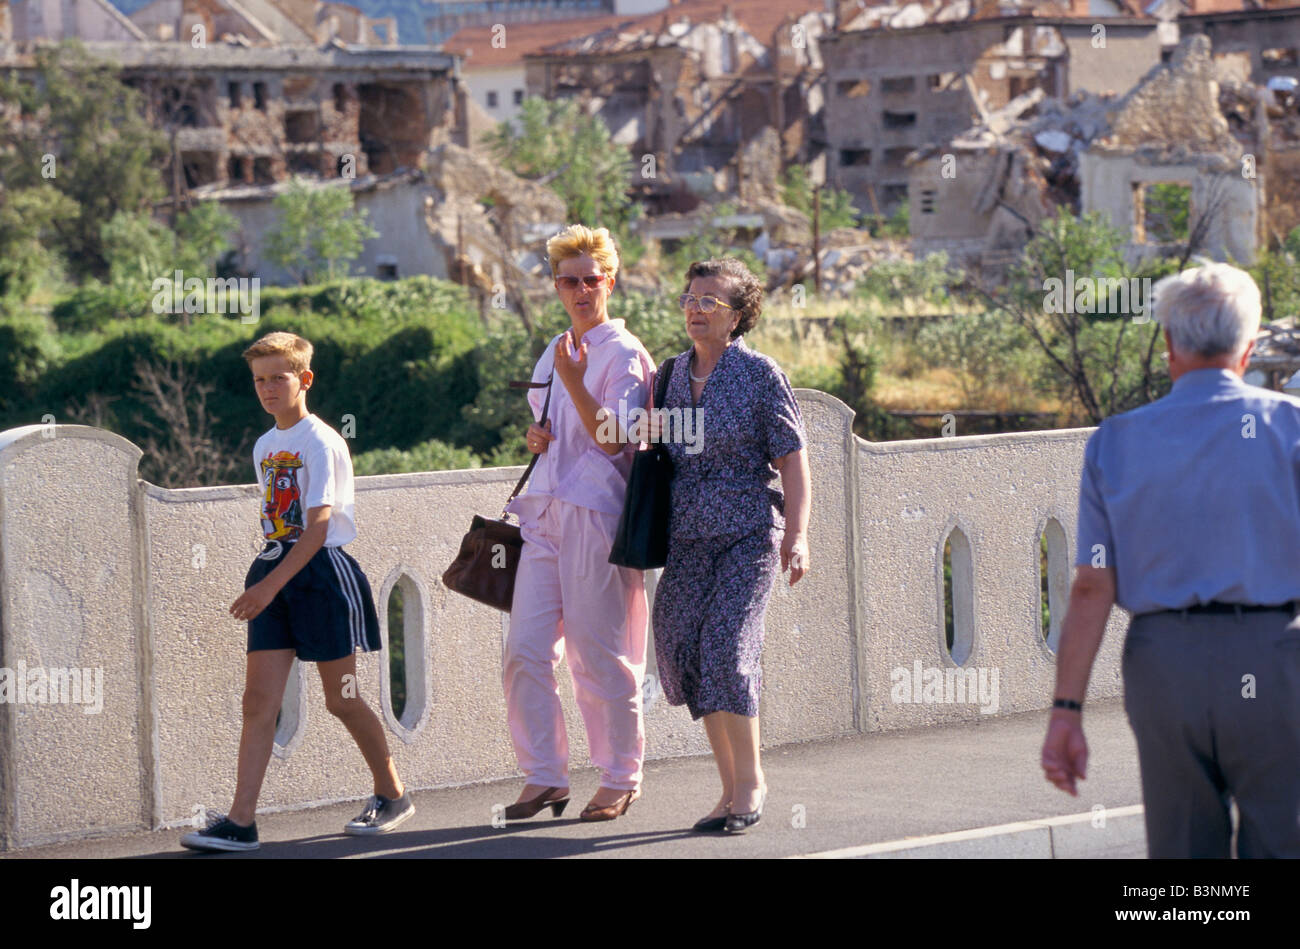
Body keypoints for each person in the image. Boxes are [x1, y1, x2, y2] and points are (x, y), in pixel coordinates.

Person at [1040, 262, 1300, 858]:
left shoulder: (1117, 440)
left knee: (1183, 858)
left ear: (1169, 347)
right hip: (1275, 656)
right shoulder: (1289, 428)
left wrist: (1066, 711)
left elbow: (1090, 587)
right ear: (1250, 347)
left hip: (1165, 665)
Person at [182, 331, 413, 851]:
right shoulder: (266, 445)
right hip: (273, 569)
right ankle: (242, 822)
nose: (267, 388)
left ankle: (392, 793)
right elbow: (277, 524)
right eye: (259, 380)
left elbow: (316, 528)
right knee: (257, 701)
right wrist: (264, 582)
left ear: (304, 379)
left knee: (342, 698)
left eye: (278, 378)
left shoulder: (322, 441)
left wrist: (267, 587)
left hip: (321, 574)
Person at [651, 257, 811, 834]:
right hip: (688, 538)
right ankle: (728, 787)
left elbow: (792, 457)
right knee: (680, 647)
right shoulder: (669, 375)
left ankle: (750, 785)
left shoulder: (759, 374)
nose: (696, 308)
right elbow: (646, 448)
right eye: (690, 298)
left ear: (738, 315)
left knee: (726, 649)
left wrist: (797, 535)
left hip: (748, 533)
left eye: (710, 301)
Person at [502, 225, 654, 822]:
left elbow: (618, 439)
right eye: (570, 281)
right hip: (545, 512)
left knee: (600, 654)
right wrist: (537, 433)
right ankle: (544, 775)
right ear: (557, 287)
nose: (581, 289)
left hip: (598, 513)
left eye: (592, 279)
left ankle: (621, 774)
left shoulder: (625, 354)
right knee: (524, 650)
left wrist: (571, 380)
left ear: (609, 281)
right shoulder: (555, 348)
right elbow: (547, 426)